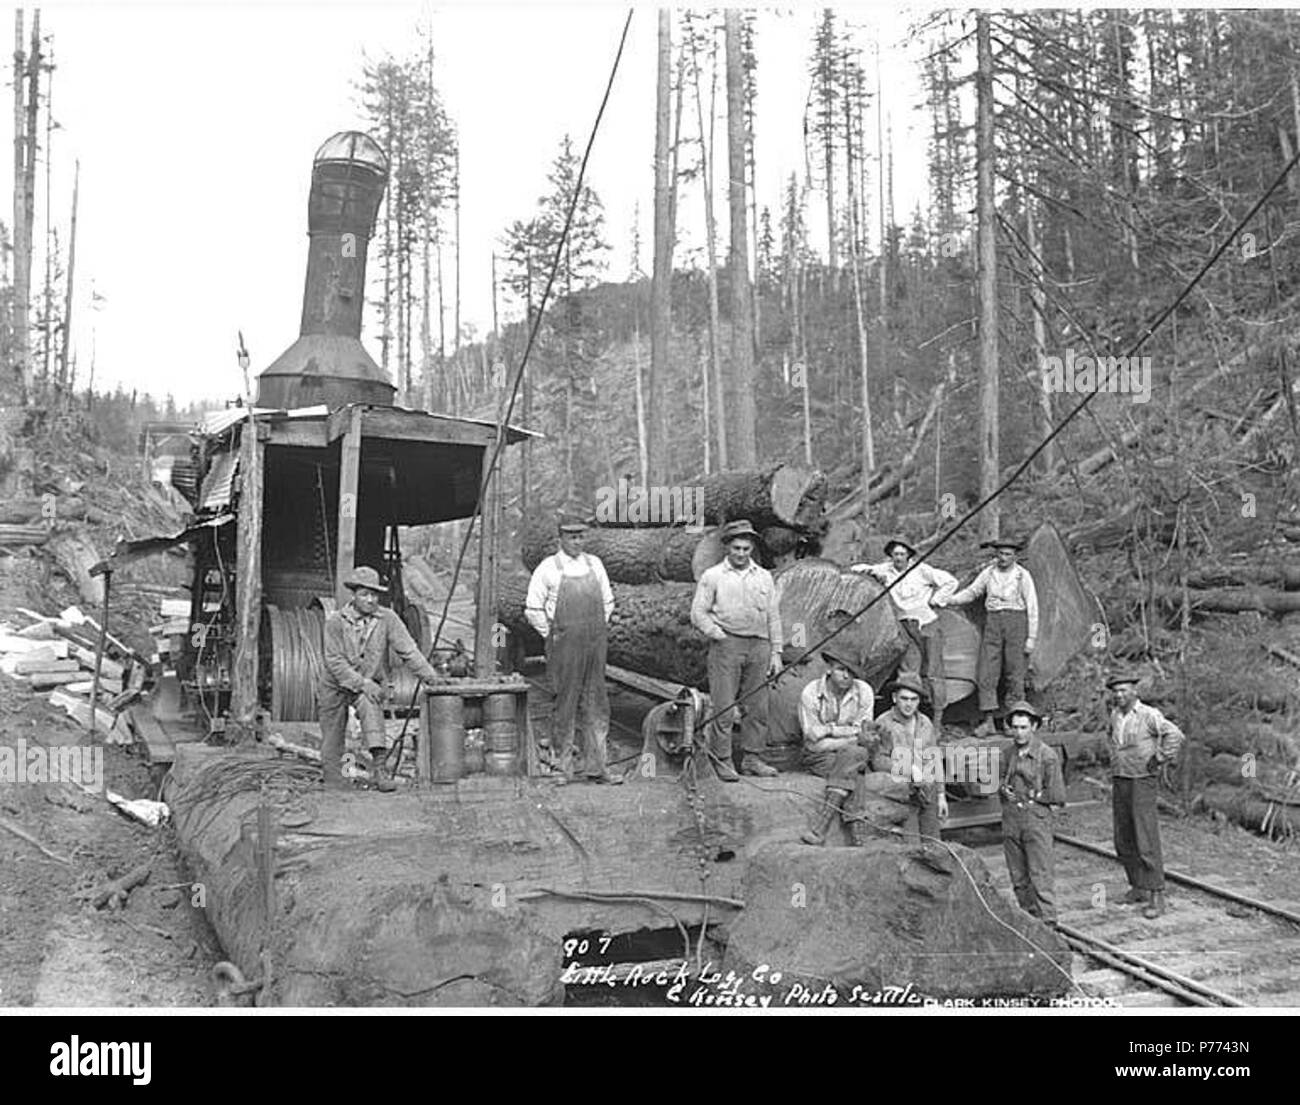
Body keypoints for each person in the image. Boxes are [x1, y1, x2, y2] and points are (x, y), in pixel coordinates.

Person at [320, 565, 440, 793]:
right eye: (364, 594)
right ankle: (334, 782)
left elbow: (409, 651)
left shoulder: (388, 618)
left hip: (368, 684)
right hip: (335, 683)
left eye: (374, 595)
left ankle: (379, 771)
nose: (370, 599)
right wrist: (363, 683)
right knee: (332, 732)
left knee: (372, 707)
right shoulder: (335, 621)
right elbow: (335, 662)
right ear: (354, 594)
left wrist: (432, 678)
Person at [525, 517, 621, 785]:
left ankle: (598, 768)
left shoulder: (595, 564)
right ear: (561, 539)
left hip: (595, 644)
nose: (577, 541)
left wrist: (596, 628)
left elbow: (608, 601)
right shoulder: (548, 568)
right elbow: (532, 609)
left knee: (596, 704)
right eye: (571, 537)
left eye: (581, 536)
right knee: (564, 705)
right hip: (564, 646)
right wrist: (553, 635)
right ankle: (561, 769)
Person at [691, 519, 783, 781]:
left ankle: (752, 758)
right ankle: (723, 759)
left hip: (759, 645)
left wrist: (776, 651)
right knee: (724, 706)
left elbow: (773, 616)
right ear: (727, 548)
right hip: (727, 645)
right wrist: (718, 634)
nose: (741, 554)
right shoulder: (713, 576)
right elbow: (698, 613)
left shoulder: (764, 576)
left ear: (752, 548)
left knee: (758, 706)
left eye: (746, 548)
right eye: (736, 548)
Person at [851, 537, 956, 737]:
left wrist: (937, 600)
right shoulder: (887, 570)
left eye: (902, 554)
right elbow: (860, 569)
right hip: (903, 626)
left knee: (934, 672)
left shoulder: (922, 570)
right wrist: (866, 571)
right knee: (909, 672)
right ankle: (908, 722)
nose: (899, 558)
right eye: (895, 554)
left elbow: (951, 581)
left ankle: (937, 721)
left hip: (927, 624)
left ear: (908, 554)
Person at [937, 535, 1038, 736]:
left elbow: (1033, 607)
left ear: (1015, 556)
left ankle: (1013, 722)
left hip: (1016, 622)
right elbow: (973, 592)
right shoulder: (989, 573)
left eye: (1008, 554)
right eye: (1000, 554)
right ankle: (988, 720)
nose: (1003, 558)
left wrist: (1031, 638)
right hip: (993, 621)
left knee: (1014, 673)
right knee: (987, 672)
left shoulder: (1022, 576)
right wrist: (948, 600)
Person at [1106, 671, 1184, 918]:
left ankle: (1157, 894)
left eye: (1124, 690)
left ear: (1134, 692)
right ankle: (1138, 886)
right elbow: (1112, 740)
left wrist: (1160, 757)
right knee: (1124, 836)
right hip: (1121, 779)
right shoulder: (1115, 715)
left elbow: (1175, 735)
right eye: (1116, 691)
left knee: (1145, 837)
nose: (1119, 695)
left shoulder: (1149, 715)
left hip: (1142, 781)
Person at [799, 642, 876, 845]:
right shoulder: (811, 692)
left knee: (854, 755)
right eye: (841, 669)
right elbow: (813, 743)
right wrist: (852, 738)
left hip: (847, 753)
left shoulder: (864, 691)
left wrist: (829, 730)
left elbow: (865, 735)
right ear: (829, 669)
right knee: (855, 765)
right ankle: (858, 829)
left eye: (851, 672)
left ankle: (820, 827)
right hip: (819, 756)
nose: (846, 676)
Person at [999, 700, 1066, 923]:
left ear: (1034, 727)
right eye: (1015, 727)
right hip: (1011, 820)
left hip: (1036, 821)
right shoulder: (1007, 753)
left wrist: (1033, 797)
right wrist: (1004, 791)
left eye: (1024, 727)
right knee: (1018, 877)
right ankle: (1029, 920)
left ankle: (1049, 923)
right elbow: (1000, 782)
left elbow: (1057, 795)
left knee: (1040, 874)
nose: (1019, 733)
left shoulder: (1047, 756)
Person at [868, 671, 948, 845]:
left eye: (914, 699)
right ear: (895, 698)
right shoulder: (884, 723)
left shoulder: (925, 723)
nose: (909, 704)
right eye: (905, 699)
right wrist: (909, 769)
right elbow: (878, 761)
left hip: (928, 791)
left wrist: (941, 795)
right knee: (911, 846)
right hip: (902, 793)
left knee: (934, 844)